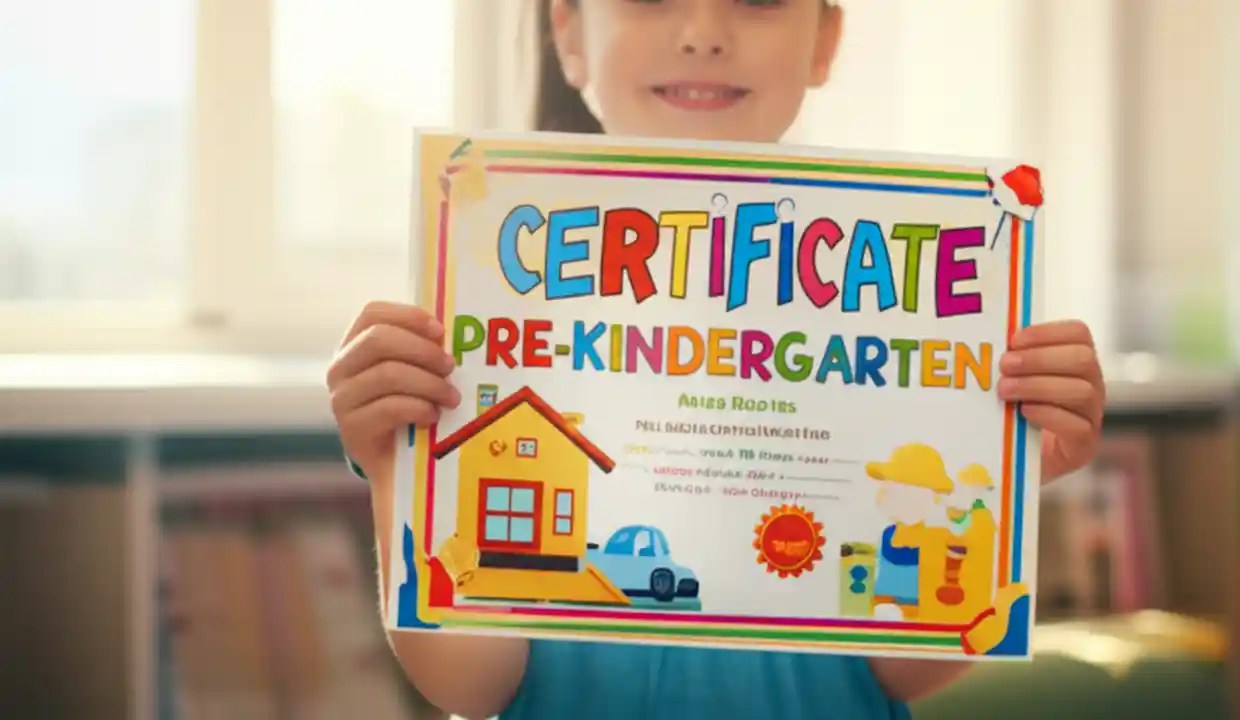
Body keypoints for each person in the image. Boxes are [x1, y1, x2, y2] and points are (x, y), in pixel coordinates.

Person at [324, 1, 1108, 718]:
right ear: (568, 32)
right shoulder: (486, 293)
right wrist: (397, 471)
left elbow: (897, 671)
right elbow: (468, 685)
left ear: (824, 40)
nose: (703, 31)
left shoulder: (911, 320)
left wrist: (1007, 479)